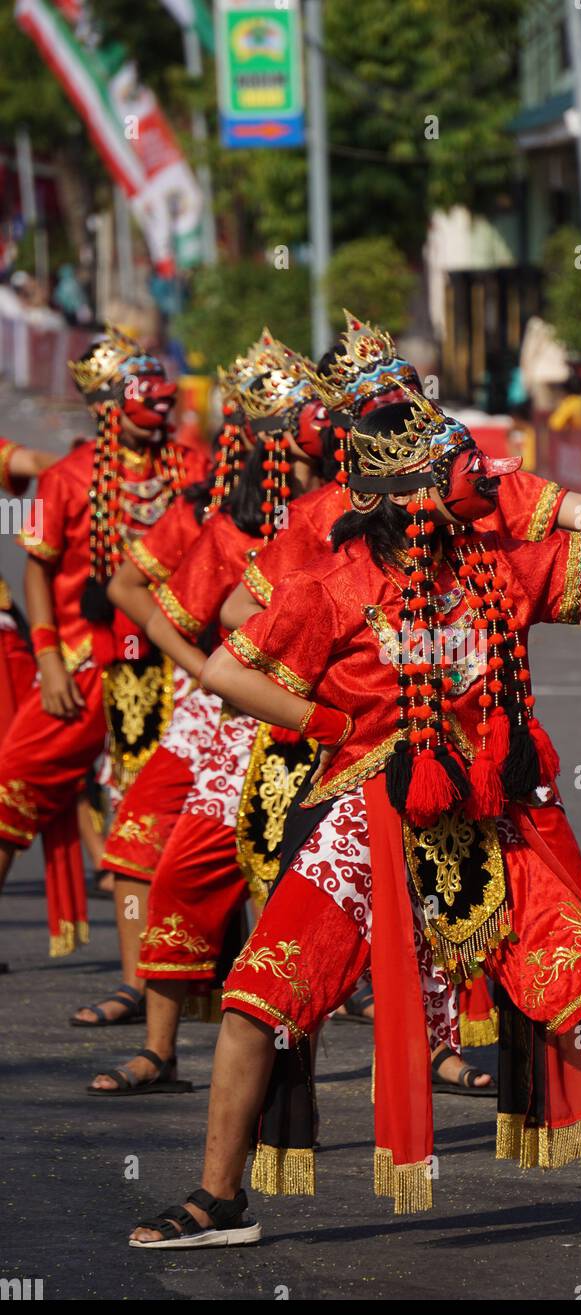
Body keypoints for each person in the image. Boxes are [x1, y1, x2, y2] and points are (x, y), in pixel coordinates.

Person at [128, 388, 581, 1255]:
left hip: (479, 828)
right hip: (362, 827)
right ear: (400, 495)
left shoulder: (492, 565)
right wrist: (329, 725)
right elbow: (225, 670)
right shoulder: (332, 588)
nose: (479, 477)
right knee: (257, 1003)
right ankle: (217, 1200)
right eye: (452, 467)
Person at [87, 336, 326, 1093]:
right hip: (234, 725)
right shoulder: (229, 523)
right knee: (175, 865)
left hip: (336, 727)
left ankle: (432, 1055)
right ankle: (160, 1042)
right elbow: (158, 608)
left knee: (376, 899)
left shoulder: (351, 513)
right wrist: (216, 681)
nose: (293, 448)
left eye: (304, 431)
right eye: (281, 433)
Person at [0, 327, 208, 956]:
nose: (159, 412)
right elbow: (37, 568)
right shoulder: (66, 476)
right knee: (12, 784)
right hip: (84, 666)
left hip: (177, 672)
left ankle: (170, 968)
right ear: (103, 407)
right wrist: (48, 661)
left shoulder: (195, 466)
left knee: (183, 822)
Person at [70, 345, 257, 1026]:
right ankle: (136, 986)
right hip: (147, 675)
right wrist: (188, 651)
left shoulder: (206, 474)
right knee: (134, 827)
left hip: (255, 696)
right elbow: (119, 582)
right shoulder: (79, 475)